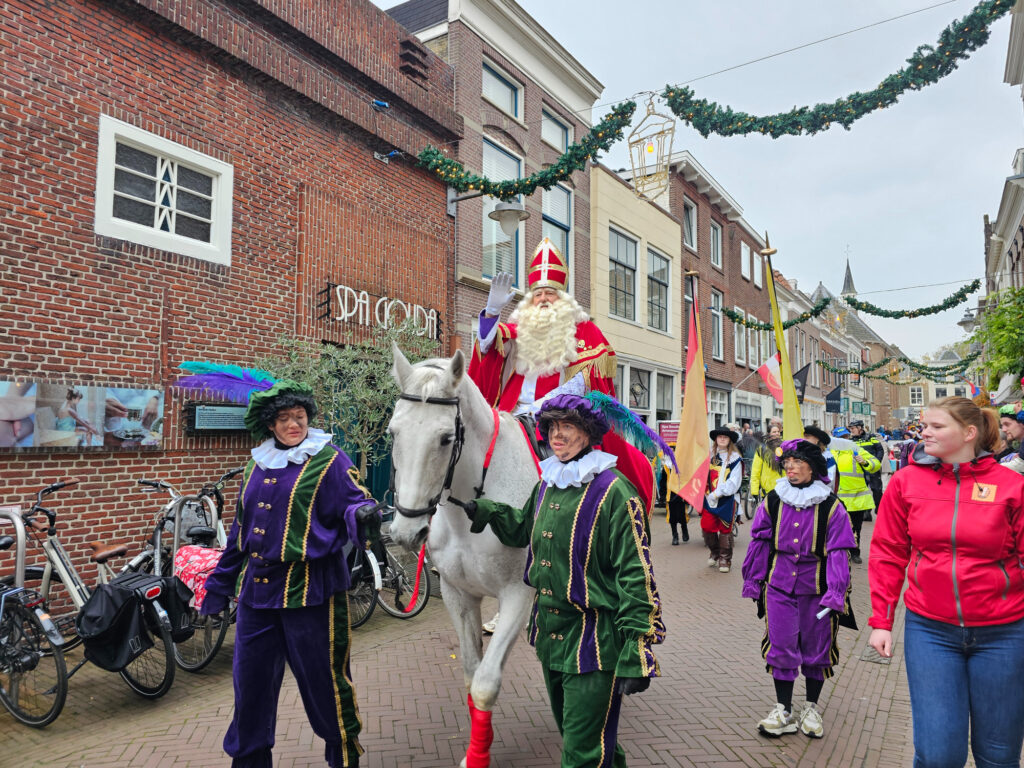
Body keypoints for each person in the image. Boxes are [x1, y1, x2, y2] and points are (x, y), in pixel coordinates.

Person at [453, 393, 664, 768]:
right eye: (552, 427)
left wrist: (637, 651)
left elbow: (636, 576)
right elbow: (522, 528)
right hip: (552, 639)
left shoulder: (615, 492)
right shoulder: (549, 482)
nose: (557, 435)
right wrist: (485, 510)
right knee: (591, 741)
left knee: (579, 755)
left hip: (595, 644)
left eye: (568, 427)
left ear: (588, 434)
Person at [470, 237, 654, 633]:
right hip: (511, 416)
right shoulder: (517, 327)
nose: (544, 300)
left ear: (564, 295)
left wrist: (554, 405)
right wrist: (489, 311)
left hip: (557, 422)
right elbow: (487, 351)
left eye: (551, 292)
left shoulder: (584, 331)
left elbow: (597, 382)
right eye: (537, 293)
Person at [199, 380, 381, 768]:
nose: (293, 424)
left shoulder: (330, 460)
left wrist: (362, 516)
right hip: (256, 597)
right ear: (270, 424)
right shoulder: (257, 463)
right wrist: (218, 585)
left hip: (311, 593)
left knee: (326, 686)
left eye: (299, 417)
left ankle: (343, 759)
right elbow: (239, 532)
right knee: (250, 688)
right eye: (284, 419)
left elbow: (354, 503)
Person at [868, 396, 1024, 768]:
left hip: (1004, 632)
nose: (925, 433)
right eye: (925, 425)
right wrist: (881, 620)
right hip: (931, 632)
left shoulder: (1011, 485)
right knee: (938, 755)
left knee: (999, 756)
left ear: (969, 433)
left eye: (937, 426)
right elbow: (888, 552)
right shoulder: (906, 482)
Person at [741, 439, 856, 739]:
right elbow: (760, 542)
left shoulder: (832, 507)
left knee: (817, 649)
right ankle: (784, 710)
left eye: (796, 462)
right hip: (779, 587)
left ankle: (811, 708)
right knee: (780, 646)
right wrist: (753, 581)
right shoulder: (774, 500)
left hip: (817, 591)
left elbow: (839, 553)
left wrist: (835, 593)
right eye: (786, 463)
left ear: (813, 467)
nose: (790, 468)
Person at [830, 426, 879, 565]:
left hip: (856, 497)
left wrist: (865, 462)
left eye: (845, 437)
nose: (844, 440)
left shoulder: (855, 449)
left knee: (855, 528)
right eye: (840, 438)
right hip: (836, 498)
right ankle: (839, 552)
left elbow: (875, 464)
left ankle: (855, 552)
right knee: (836, 528)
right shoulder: (828, 452)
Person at [703, 427, 743, 573]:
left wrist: (717, 493)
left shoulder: (735, 459)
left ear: (729, 440)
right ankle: (715, 551)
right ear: (716, 439)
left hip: (726, 499)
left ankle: (725, 558)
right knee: (707, 526)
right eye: (719, 436)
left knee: (725, 529)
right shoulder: (709, 456)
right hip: (709, 498)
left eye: (725, 437)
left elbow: (734, 483)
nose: (722, 439)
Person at [849, 420, 884, 518]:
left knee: (876, 490)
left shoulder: (871, 437)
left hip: (872, 468)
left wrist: (876, 462)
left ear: (860, 428)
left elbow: (880, 450)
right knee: (862, 491)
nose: (851, 431)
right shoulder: (851, 441)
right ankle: (866, 512)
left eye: (852, 428)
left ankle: (879, 509)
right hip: (859, 471)